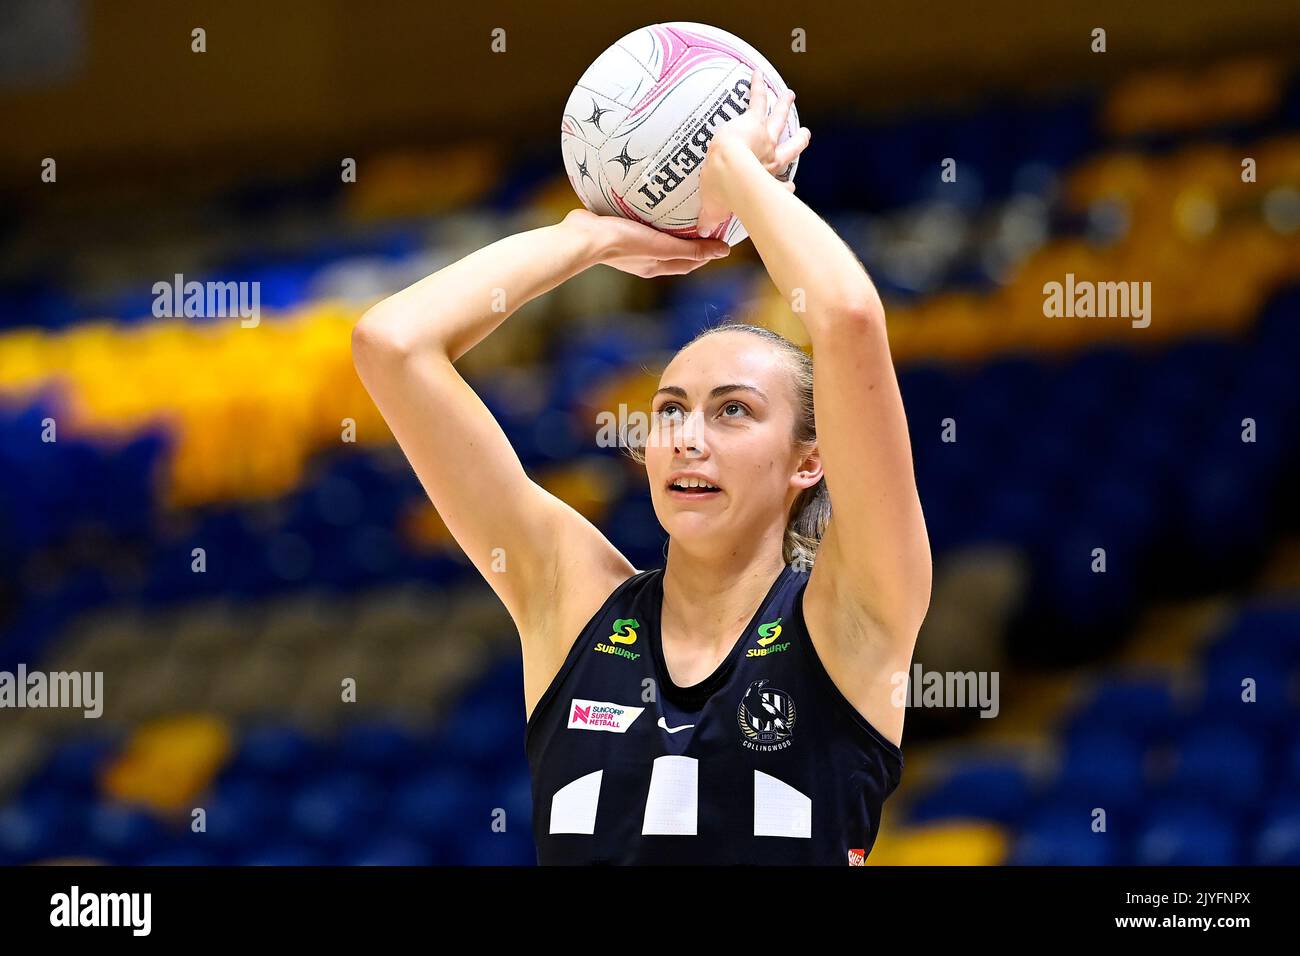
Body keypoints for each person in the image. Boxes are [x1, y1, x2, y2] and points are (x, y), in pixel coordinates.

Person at [351, 69, 931, 864]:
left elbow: (849, 318)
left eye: (733, 411)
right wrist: (589, 239)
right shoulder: (571, 599)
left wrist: (738, 175)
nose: (689, 436)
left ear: (809, 462)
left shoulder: (853, 616)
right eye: (670, 409)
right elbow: (391, 344)